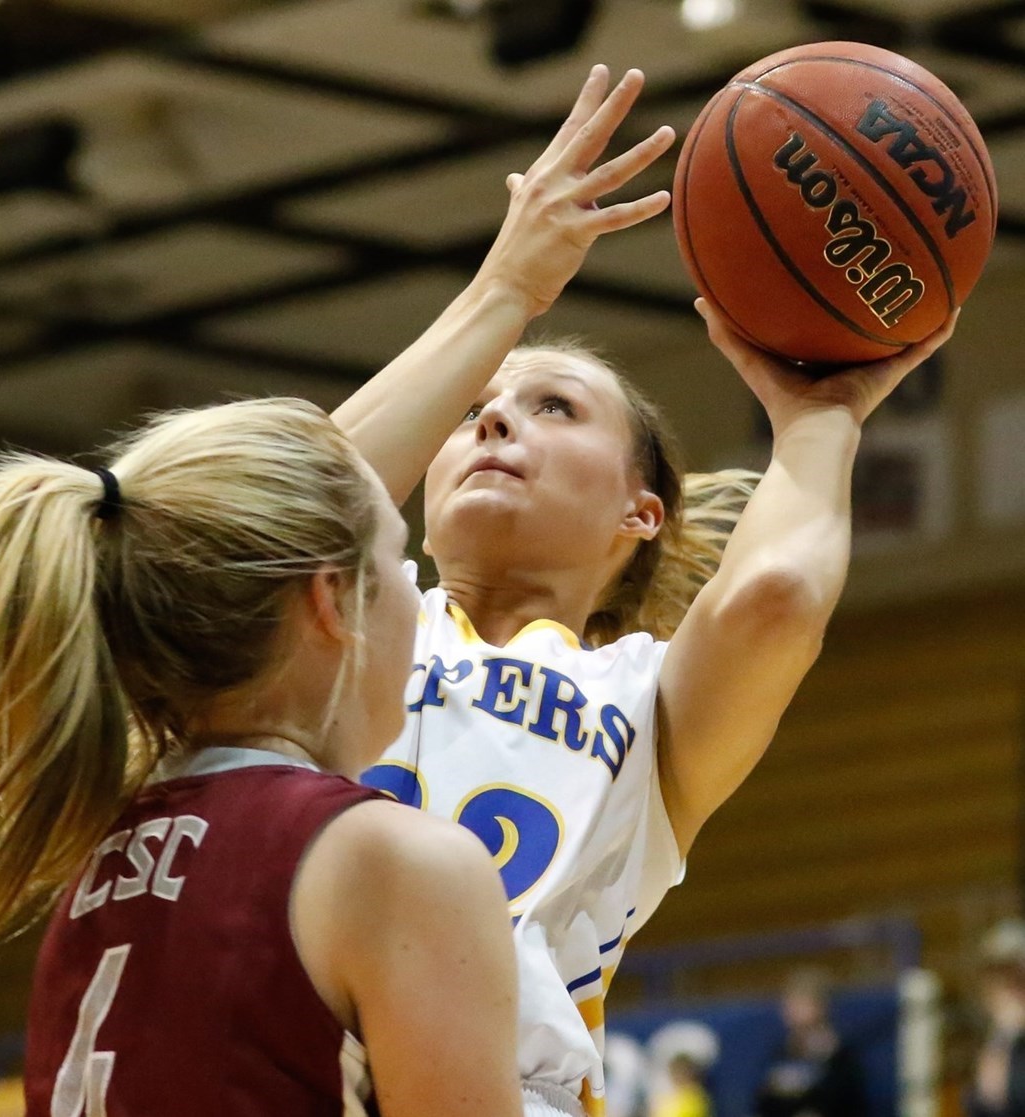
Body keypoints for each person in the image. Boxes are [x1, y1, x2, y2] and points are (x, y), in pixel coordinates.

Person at [330, 63, 960, 1117]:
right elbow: (266, 508)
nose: (491, 421)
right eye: (473, 407)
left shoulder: (643, 700)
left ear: (640, 512)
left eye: (552, 408)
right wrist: (502, 294)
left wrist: (820, 418)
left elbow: (772, 599)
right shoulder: (349, 619)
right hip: (282, 1066)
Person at [0, 399, 523, 1117]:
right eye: (397, 560)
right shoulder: (391, 859)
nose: (418, 591)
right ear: (331, 598)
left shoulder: (96, 849)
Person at [754, 969, 867, 1117]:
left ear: (820, 1007)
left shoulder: (840, 1054)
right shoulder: (782, 1052)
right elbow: (763, 1101)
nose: (791, 1010)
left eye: (800, 1003)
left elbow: (846, 1100)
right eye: (788, 1004)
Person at [969, 919, 1025, 1117]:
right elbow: (984, 1102)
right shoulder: (999, 1039)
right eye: (998, 980)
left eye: (1017, 981)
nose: (1009, 993)